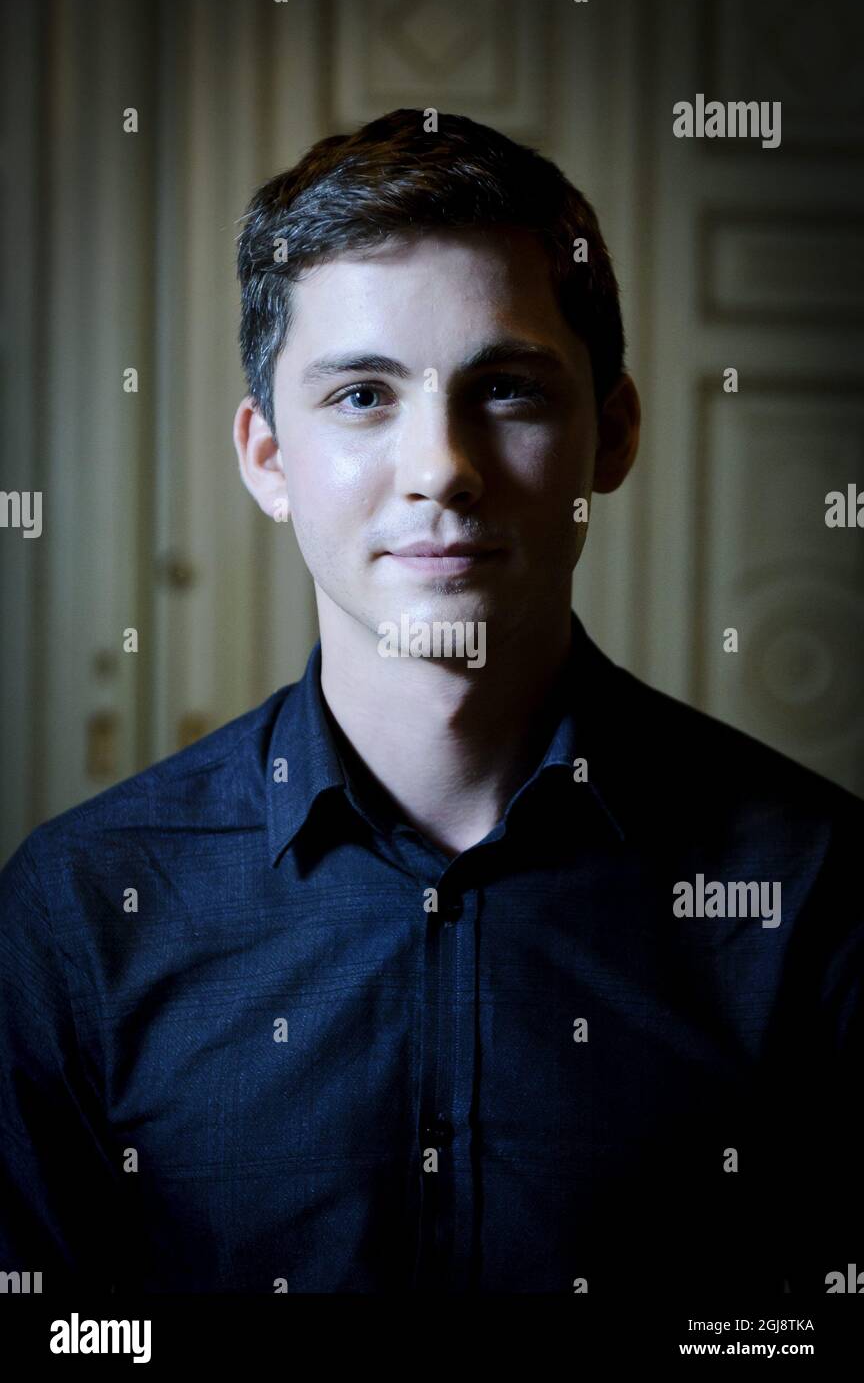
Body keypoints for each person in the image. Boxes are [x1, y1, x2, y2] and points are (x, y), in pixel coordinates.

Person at [1, 109, 860, 1295]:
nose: (441, 467)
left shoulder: (821, 896)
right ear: (266, 458)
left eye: (506, 389)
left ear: (611, 435)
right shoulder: (76, 914)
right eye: (361, 396)